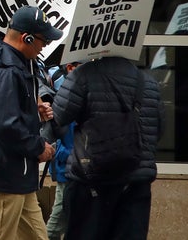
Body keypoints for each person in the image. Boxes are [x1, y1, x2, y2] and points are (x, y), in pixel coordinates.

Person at [0, 5, 60, 240]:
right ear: (26, 38)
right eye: (43, 40)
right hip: (6, 175)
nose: (45, 46)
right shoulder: (7, 71)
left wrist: (32, 108)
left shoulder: (13, 64)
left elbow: (4, 113)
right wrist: (39, 147)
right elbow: (7, 126)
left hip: (17, 174)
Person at [51, 56, 162, 240]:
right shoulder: (148, 82)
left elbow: (59, 117)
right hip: (136, 182)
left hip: (91, 179)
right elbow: (158, 129)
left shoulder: (82, 75)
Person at [42, 63, 78, 240]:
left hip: (73, 168)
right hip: (68, 169)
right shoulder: (62, 98)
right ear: (71, 67)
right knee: (55, 226)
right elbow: (54, 138)